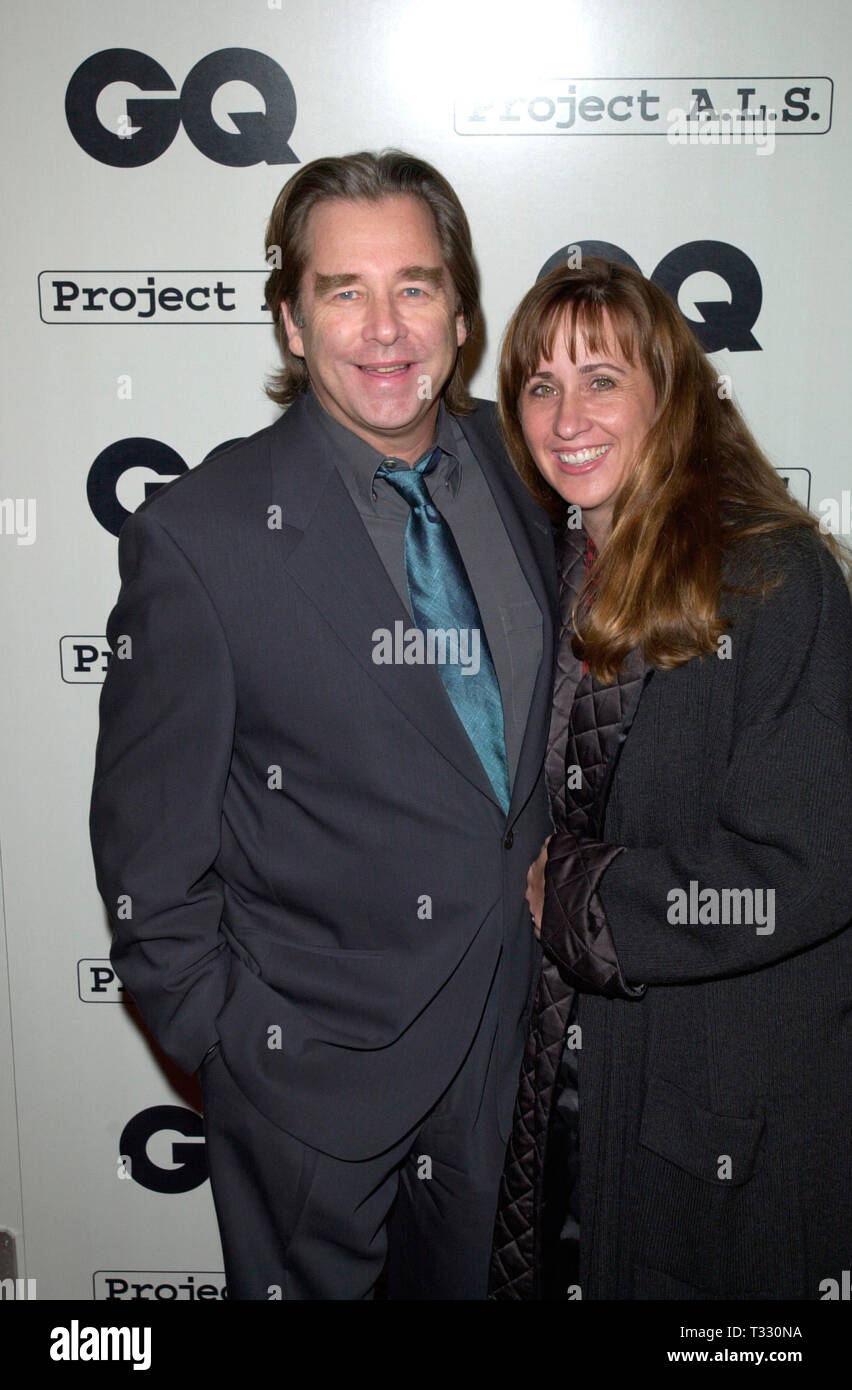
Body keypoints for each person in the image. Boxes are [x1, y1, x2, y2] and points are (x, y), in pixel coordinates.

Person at [89, 149, 558, 1300]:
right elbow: (150, 857)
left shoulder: (537, 463)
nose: (385, 326)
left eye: (414, 284)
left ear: (460, 309)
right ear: (292, 324)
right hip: (309, 1077)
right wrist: (236, 1054)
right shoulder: (200, 536)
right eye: (344, 291)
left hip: (517, 1045)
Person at [488, 256, 852, 1300]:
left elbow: (810, 860)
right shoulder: (553, 568)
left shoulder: (770, 579)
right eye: (541, 384)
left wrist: (590, 898)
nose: (568, 414)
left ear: (669, 392)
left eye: (602, 378)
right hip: (580, 1076)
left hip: (720, 1106)